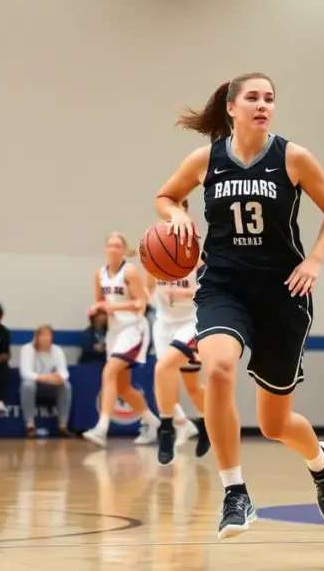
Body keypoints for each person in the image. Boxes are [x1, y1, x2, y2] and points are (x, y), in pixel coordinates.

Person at [155, 73, 324, 539]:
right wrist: (178, 212)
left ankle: (321, 463)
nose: (263, 105)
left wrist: (317, 260)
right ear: (231, 107)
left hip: (284, 293)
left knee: (275, 423)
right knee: (218, 369)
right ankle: (235, 492)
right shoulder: (206, 160)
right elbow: (164, 196)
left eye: (270, 99)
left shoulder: (292, 157)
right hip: (224, 287)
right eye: (253, 98)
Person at [147, 200, 210, 466]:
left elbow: (208, 290)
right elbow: (151, 287)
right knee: (191, 385)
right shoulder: (155, 243)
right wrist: (156, 297)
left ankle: (166, 428)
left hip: (191, 322)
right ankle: (206, 424)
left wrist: (180, 292)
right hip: (164, 323)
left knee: (163, 370)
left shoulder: (196, 250)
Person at [81, 233, 160, 447]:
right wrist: (96, 308)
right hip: (114, 331)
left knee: (108, 372)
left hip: (133, 328)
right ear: (105, 249)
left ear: (124, 250)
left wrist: (113, 307)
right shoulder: (99, 274)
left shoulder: (130, 271)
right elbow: (100, 300)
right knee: (122, 386)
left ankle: (101, 428)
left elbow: (142, 302)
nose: (113, 249)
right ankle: (154, 423)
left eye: (117, 245)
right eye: (110, 245)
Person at [19, 325, 72, 437]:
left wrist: (59, 378)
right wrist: (44, 377)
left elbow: (64, 372)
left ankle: (63, 426)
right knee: (28, 385)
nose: (47, 338)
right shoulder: (27, 349)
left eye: (49, 335)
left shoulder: (57, 350)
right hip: (34, 385)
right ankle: (30, 426)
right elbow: (25, 373)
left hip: (51, 385)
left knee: (66, 385)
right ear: (36, 337)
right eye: (43, 335)